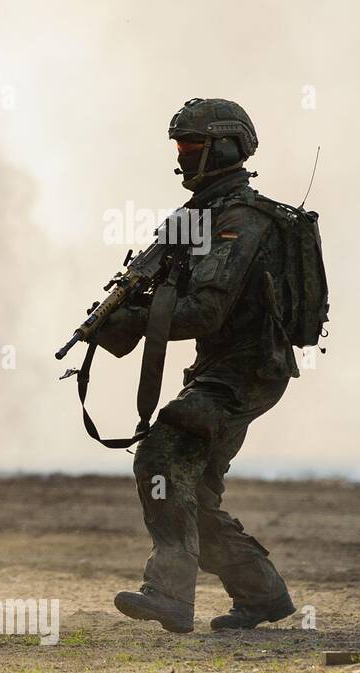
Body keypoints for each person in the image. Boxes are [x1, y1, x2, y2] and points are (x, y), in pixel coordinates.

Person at [99, 98, 304, 633]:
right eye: (180, 147)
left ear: (228, 146)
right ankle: (261, 593)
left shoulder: (243, 219)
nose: (184, 157)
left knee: (162, 459)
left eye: (194, 146)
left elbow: (206, 309)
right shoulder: (197, 217)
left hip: (248, 371)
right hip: (224, 367)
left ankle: (169, 594)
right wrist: (118, 316)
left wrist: (140, 318)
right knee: (195, 490)